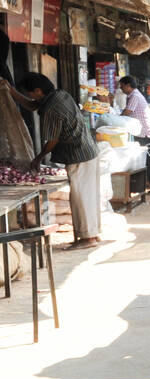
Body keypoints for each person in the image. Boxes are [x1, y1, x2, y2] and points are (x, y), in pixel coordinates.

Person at [6, 73, 103, 249]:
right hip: (88, 151)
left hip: (79, 155)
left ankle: (88, 238)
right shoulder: (59, 94)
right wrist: (11, 92)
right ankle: (92, 235)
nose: (30, 96)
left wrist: (38, 158)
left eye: (30, 93)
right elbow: (32, 105)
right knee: (87, 196)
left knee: (81, 198)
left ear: (37, 90)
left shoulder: (51, 108)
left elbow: (52, 140)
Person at [119, 75, 150, 195]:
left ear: (128, 86)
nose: (121, 88)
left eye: (122, 86)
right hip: (148, 131)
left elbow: (127, 112)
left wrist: (115, 119)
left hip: (146, 133)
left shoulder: (134, 96)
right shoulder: (135, 95)